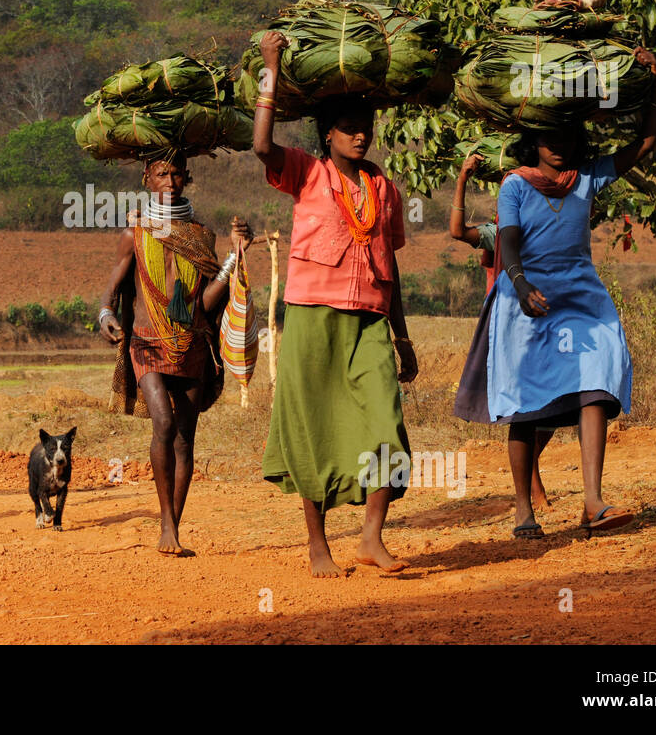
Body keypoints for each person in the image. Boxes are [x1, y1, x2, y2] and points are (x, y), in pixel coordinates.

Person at [454, 47, 656, 539]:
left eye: (568, 136)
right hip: (525, 298)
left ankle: (593, 502)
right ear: (535, 139)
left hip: (581, 297)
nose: (559, 147)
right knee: (527, 404)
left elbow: (647, 143)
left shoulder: (587, 176)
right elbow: (506, 243)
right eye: (550, 137)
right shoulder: (515, 185)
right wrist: (522, 285)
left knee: (597, 381)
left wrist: (655, 85)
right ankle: (524, 511)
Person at [252, 30, 418, 578]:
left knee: (386, 424)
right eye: (348, 127)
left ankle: (371, 536)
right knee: (313, 427)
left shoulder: (385, 190)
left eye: (365, 126)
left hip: (370, 322)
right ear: (327, 135)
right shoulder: (307, 173)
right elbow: (260, 146)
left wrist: (402, 337)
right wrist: (270, 66)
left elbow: (390, 269)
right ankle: (318, 544)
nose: (360, 134)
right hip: (310, 318)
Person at [99, 152, 252, 556]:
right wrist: (105, 315)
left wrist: (237, 255)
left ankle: (173, 527)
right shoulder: (136, 232)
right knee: (163, 424)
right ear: (146, 178)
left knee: (185, 438)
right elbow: (113, 285)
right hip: (146, 341)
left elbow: (205, 303)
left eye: (177, 174)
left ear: (187, 179)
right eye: (162, 173)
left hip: (191, 344)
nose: (170, 181)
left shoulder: (201, 236)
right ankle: (165, 522)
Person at [450, 153, 554, 509]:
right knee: (526, 407)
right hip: (511, 323)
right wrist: (463, 178)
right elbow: (457, 231)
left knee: (553, 407)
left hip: (547, 319)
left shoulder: (549, 225)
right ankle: (528, 490)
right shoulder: (499, 232)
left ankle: (531, 467)